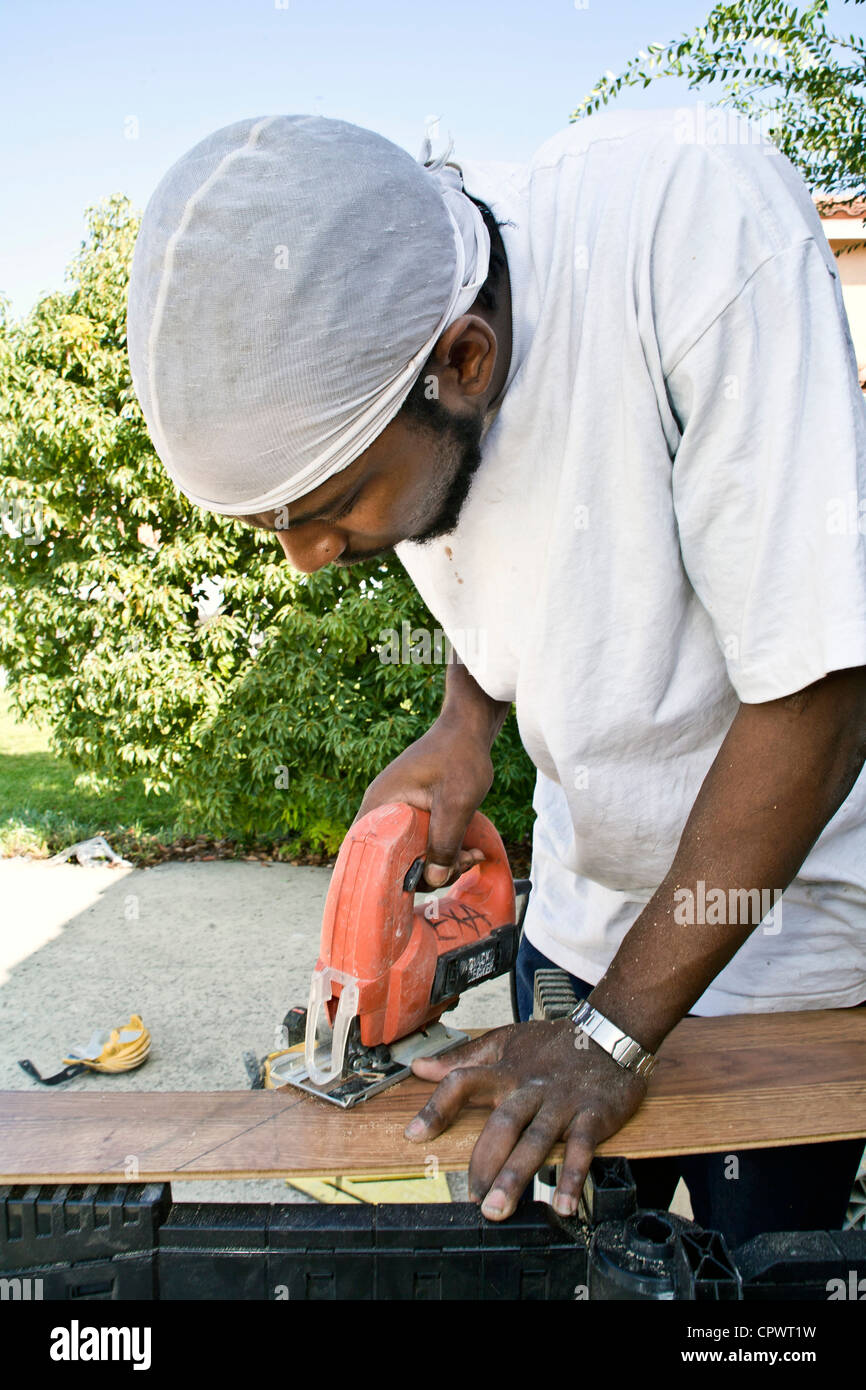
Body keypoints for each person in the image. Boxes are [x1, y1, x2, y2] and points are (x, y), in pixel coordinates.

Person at [127, 109, 866, 1248]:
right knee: (564, 1259)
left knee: (737, 1290)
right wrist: (463, 721)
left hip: (785, 945)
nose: (306, 557)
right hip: (578, 921)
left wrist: (609, 1042)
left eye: (325, 510)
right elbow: (480, 522)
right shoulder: (405, 359)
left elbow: (818, 691)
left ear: (463, 361)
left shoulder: (689, 221)